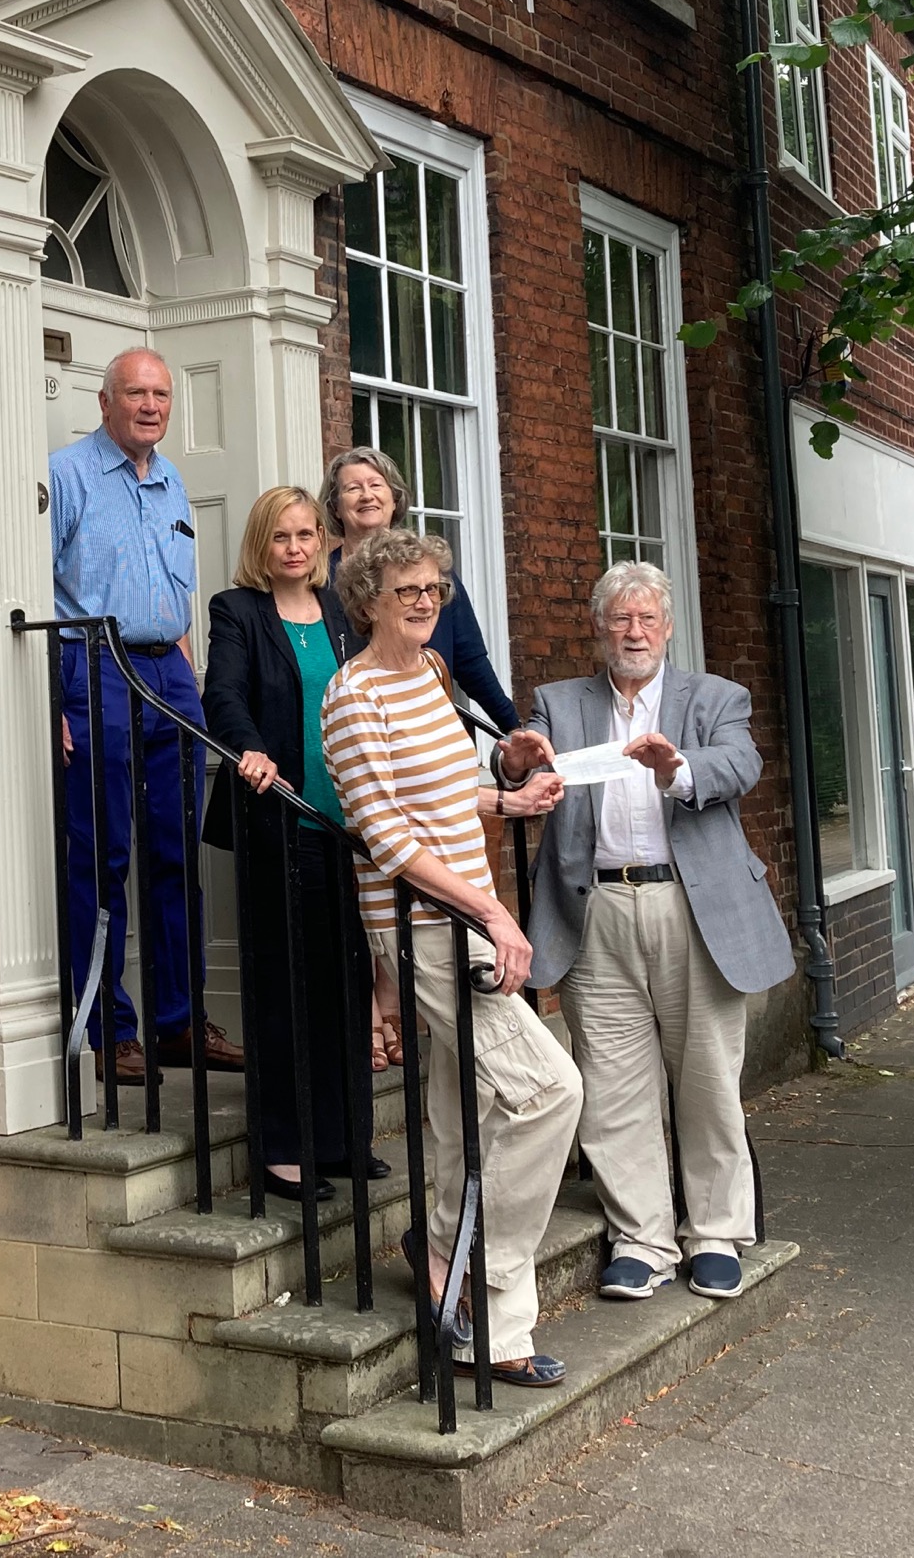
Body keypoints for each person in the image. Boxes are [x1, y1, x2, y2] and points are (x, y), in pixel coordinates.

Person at [498, 561, 794, 1303]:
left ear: (667, 627)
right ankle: (641, 1240)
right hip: (595, 909)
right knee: (611, 1086)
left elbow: (741, 764)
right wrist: (514, 762)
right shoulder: (558, 702)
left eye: (646, 619)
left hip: (692, 909)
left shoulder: (715, 698)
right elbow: (520, 767)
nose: (634, 631)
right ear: (598, 628)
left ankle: (715, 1233)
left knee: (707, 1081)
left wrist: (678, 768)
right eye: (620, 618)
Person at [321, 528, 576, 1388]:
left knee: (464, 1110)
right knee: (549, 1091)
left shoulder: (432, 673)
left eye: (434, 588)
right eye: (408, 590)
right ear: (368, 602)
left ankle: (467, 1289)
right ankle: (464, 1267)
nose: (426, 601)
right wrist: (493, 913)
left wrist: (508, 801)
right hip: (428, 924)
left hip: (462, 912)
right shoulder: (352, 697)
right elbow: (386, 837)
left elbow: (446, 793)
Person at [51, 349, 244, 1079]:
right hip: (94, 666)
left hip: (170, 669)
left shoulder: (172, 481)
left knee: (177, 854)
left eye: (161, 394)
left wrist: (187, 672)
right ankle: (109, 1029)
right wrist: (52, 700)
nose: (151, 406)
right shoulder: (65, 476)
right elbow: (34, 589)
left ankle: (178, 1022)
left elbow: (173, 590)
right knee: (103, 853)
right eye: (135, 393)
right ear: (105, 402)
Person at [202, 488, 387, 1197]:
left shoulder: (342, 612)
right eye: (281, 536)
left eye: (307, 535)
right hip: (280, 818)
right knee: (285, 988)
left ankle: (342, 1139)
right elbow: (223, 695)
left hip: (349, 827)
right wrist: (248, 747)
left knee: (345, 983)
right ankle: (282, 1149)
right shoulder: (237, 611)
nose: (295, 548)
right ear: (262, 542)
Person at [321, 446, 532, 737]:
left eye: (376, 485)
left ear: (395, 499)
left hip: (431, 728)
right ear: (335, 507)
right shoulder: (321, 582)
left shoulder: (433, 574)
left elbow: (471, 661)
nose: (367, 495)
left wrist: (512, 726)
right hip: (360, 728)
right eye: (353, 488)